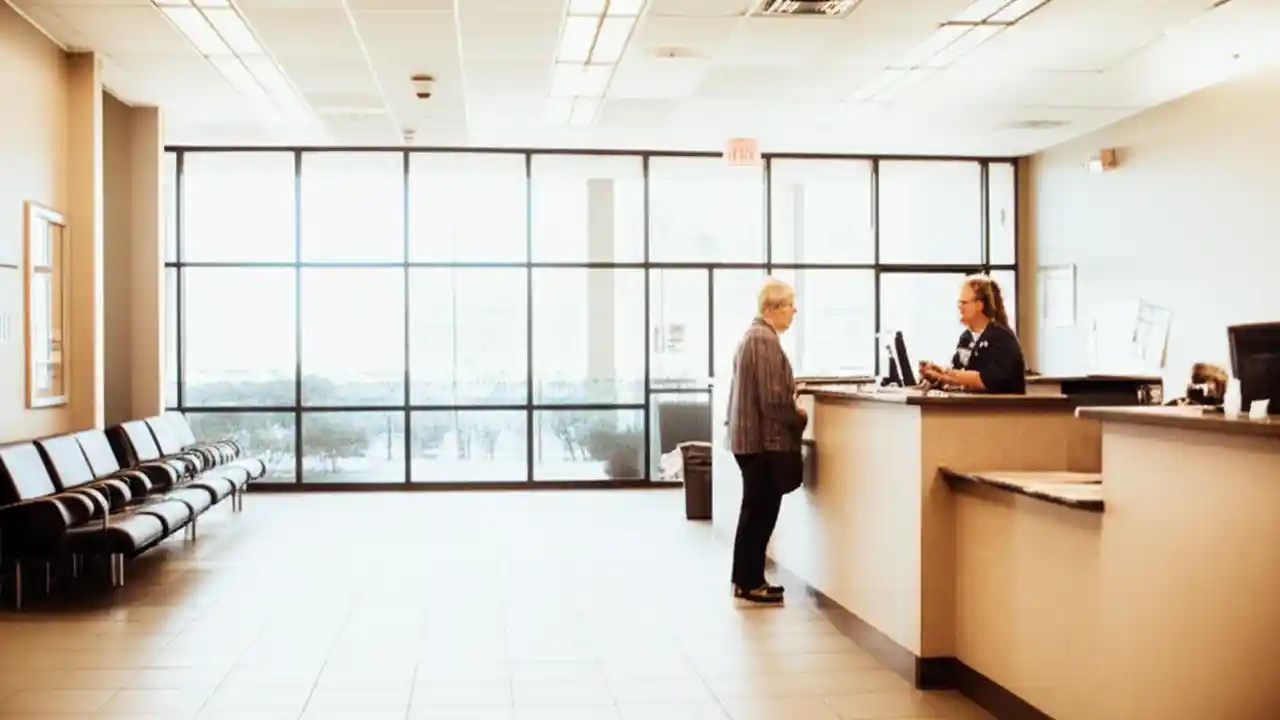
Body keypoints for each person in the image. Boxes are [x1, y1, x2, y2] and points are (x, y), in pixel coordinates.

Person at [724, 277, 806, 605]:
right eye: (789, 305)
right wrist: (799, 416)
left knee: (753, 513)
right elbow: (773, 400)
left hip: (750, 441)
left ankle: (745, 580)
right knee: (759, 515)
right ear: (771, 308)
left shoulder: (753, 336)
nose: (794, 311)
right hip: (763, 443)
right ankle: (751, 581)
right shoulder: (764, 340)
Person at [918, 274, 1026, 394]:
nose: (959, 307)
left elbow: (984, 380)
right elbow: (958, 378)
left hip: (1000, 410)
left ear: (979, 305)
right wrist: (937, 377)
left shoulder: (1001, 339)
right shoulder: (966, 338)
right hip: (968, 410)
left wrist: (945, 373)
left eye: (964, 303)